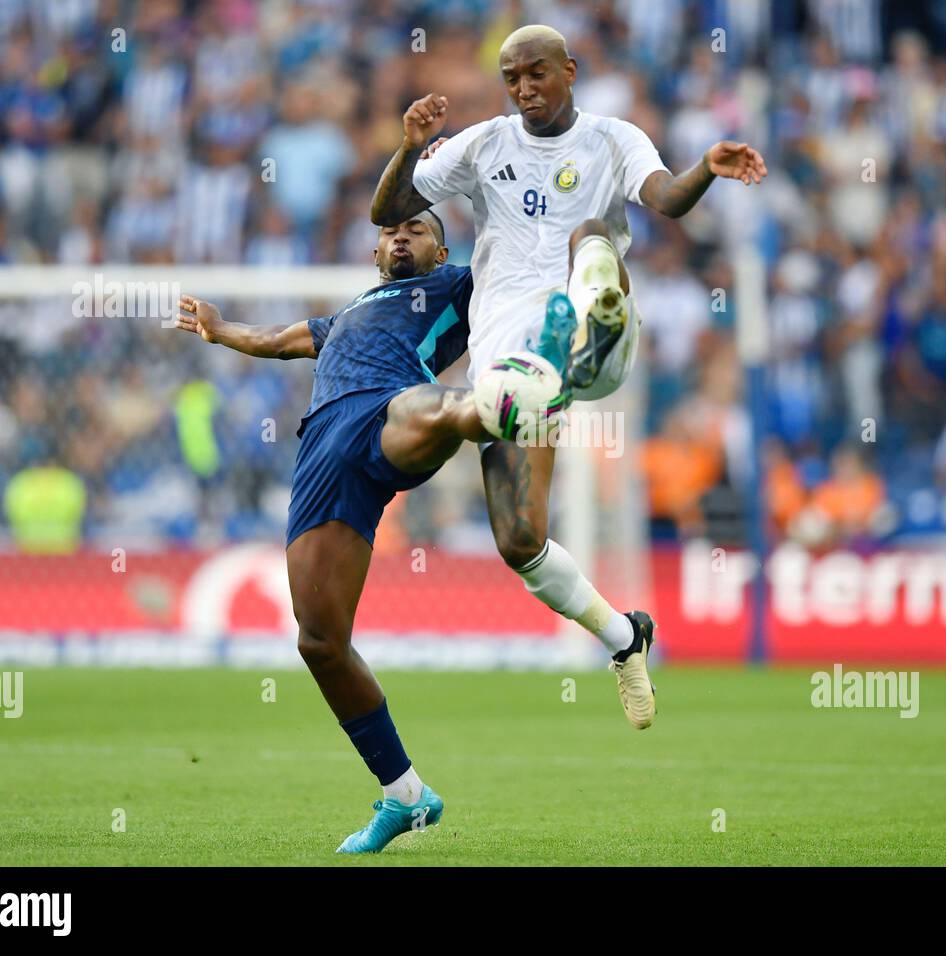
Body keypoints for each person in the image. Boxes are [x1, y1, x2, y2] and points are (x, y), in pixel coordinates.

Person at [368, 24, 767, 729]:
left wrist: (706, 166)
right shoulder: (485, 144)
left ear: (570, 71)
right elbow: (387, 211)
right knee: (519, 541)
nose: (524, 89)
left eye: (536, 74)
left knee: (590, 234)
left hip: (595, 344)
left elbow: (666, 199)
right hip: (509, 368)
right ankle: (624, 637)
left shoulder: (614, 139)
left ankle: (587, 320)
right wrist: (406, 145)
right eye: (512, 78)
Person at [177, 211, 569, 854]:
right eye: (393, 231)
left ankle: (505, 399)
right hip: (323, 448)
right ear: (376, 249)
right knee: (320, 642)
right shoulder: (346, 317)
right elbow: (278, 339)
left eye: (417, 229)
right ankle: (406, 796)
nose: (402, 236)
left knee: (439, 407)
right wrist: (220, 331)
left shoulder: (456, 285)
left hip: (392, 406)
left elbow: (523, 274)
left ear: (441, 250)